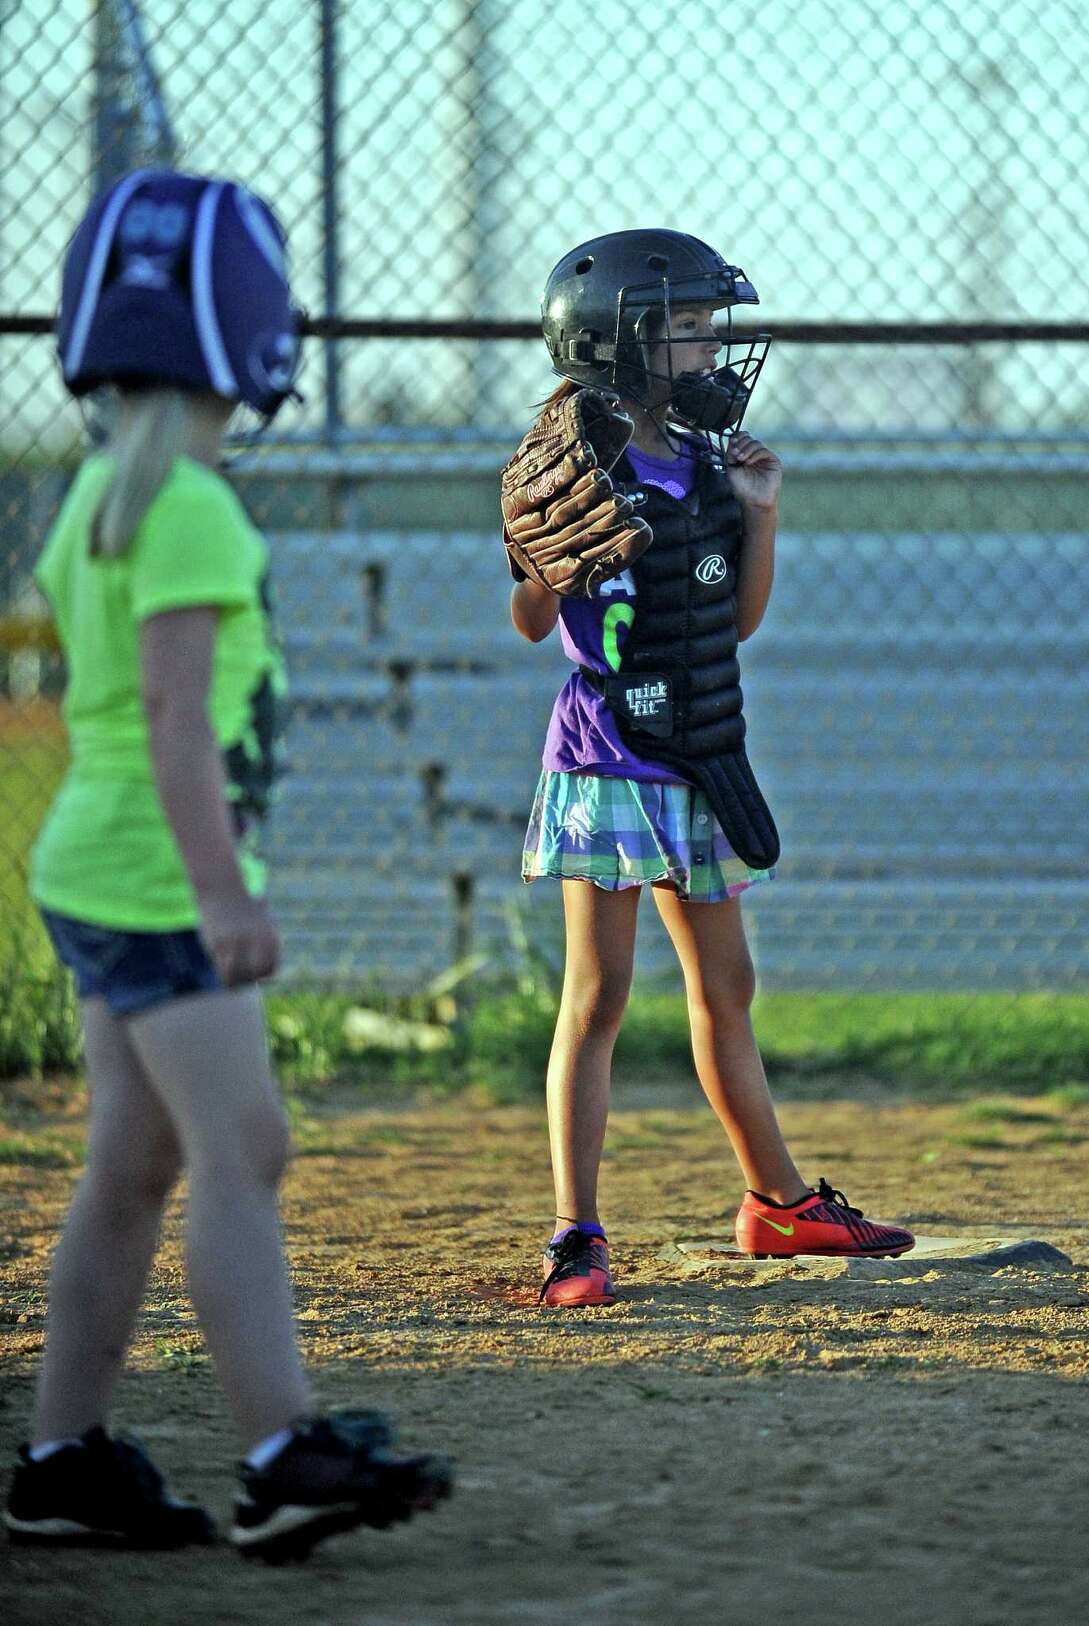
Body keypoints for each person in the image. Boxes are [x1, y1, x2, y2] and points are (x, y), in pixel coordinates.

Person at [4, 170, 452, 1561]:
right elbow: (176, 722)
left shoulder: (98, 494)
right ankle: (281, 1452)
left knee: (132, 1166)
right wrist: (220, 891)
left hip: (100, 869)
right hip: (153, 881)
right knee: (242, 1149)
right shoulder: (188, 505)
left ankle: (62, 1457)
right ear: (250, 328)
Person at [508, 230, 916, 1307]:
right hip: (605, 759)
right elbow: (528, 619)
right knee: (596, 999)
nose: (708, 350)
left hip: (699, 753)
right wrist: (550, 556)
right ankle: (576, 1238)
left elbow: (734, 622)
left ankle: (777, 1206)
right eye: (685, 330)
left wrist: (762, 512)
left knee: (727, 986)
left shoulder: (704, 468)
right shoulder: (569, 463)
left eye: (705, 328)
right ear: (618, 343)